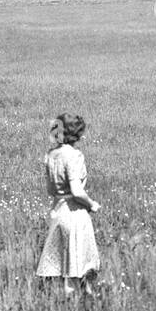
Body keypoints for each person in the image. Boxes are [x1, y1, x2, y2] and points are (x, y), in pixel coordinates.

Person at [36, 113, 101, 297]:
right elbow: (77, 191)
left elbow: (50, 190)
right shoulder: (74, 156)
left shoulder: (50, 155)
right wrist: (91, 204)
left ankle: (66, 307)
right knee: (76, 269)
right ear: (76, 133)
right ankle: (76, 309)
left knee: (62, 266)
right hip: (74, 214)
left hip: (57, 213)